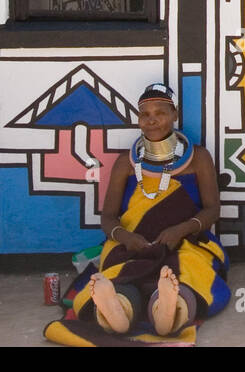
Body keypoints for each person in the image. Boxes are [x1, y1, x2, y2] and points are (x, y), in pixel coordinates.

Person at [68, 83, 229, 337]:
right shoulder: (126, 163)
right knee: (122, 272)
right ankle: (117, 311)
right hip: (133, 245)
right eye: (145, 114)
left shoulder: (198, 158)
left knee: (189, 270)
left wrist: (182, 229)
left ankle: (168, 311)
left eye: (160, 113)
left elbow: (212, 210)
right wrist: (126, 237)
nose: (152, 120)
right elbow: (108, 217)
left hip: (185, 243)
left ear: (174, 115)